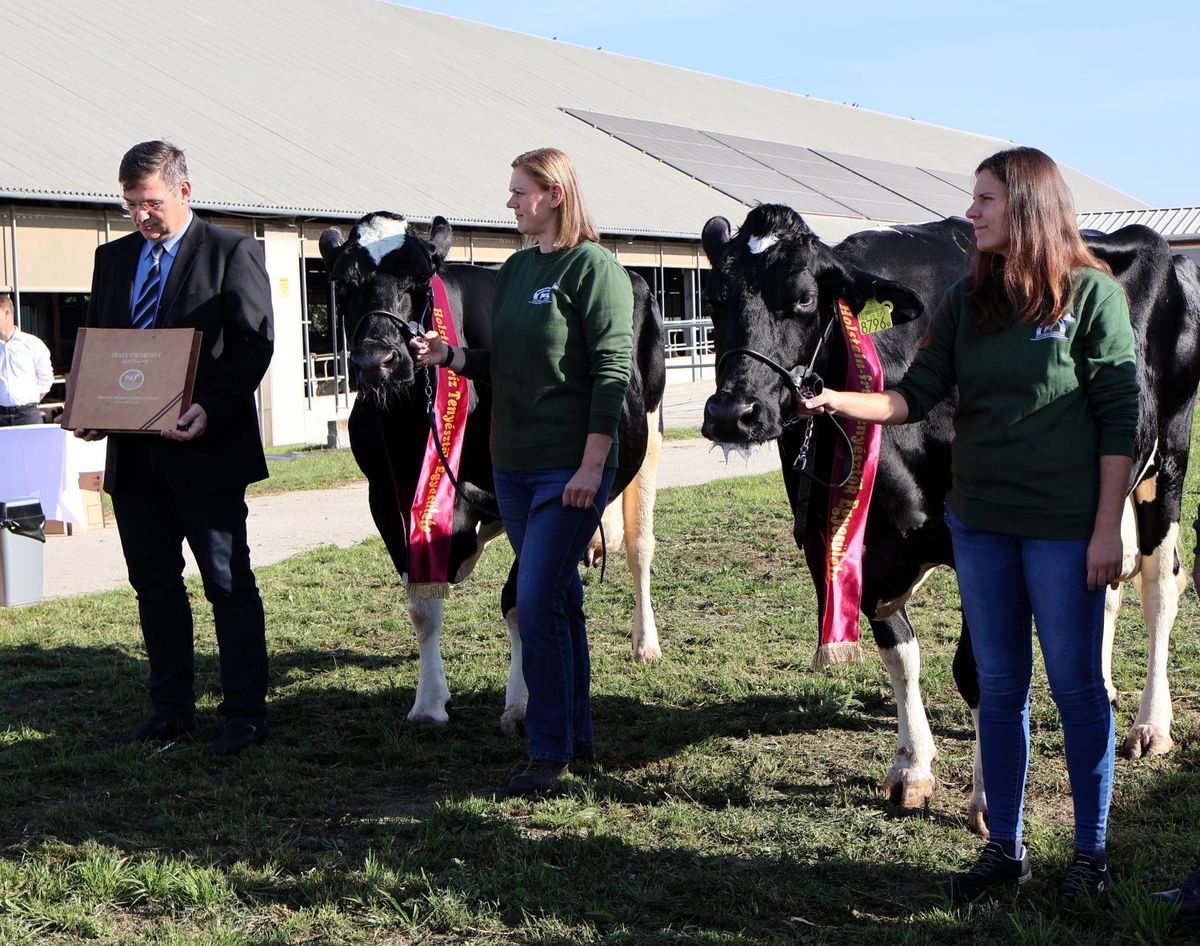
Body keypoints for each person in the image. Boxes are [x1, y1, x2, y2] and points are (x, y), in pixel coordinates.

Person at [800, 147, 1138, 903]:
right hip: (981, 528)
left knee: (1079, 690)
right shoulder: (967, 301)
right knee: (1003, 691)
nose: (972, 211)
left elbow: (1121, 417)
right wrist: (835, 401)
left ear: (1028, 207)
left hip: (1062, 530)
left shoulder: (1091, 297)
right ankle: (1007, 850)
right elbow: (911, 397)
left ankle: (1090, 856)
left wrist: (1108, 528)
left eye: (985, 199)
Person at [410, 147, 633, 797]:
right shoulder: (514, 272)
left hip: (571, 468)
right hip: (513, 468)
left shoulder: (594, 269)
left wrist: (594, 465)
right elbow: (502, 360)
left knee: (534, 602)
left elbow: (612, 373)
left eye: (519, 192)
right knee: (559, 601)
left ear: (555, 195)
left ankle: (548, 750)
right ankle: (578, 735)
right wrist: (448, 354)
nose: (509, 203)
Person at [77, 141, 274, 756]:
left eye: (151, 203)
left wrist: (208, 407)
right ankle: (171, 711)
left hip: (206, 451)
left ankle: (244, 714)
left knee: (226, 582)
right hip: (135, 460)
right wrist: (91, 406)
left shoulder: (232, 251)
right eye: (131, 204)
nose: (141, 215)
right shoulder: (112, 260)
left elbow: (253, 345)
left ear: (184, 191)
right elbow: (107, 346)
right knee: (153, 584)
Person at [0, 292, 53, 426]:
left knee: (35, 448)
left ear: (7, 313)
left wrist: (30, 401)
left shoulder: (32, 344)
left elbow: (46, 378)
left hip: (27, 415)